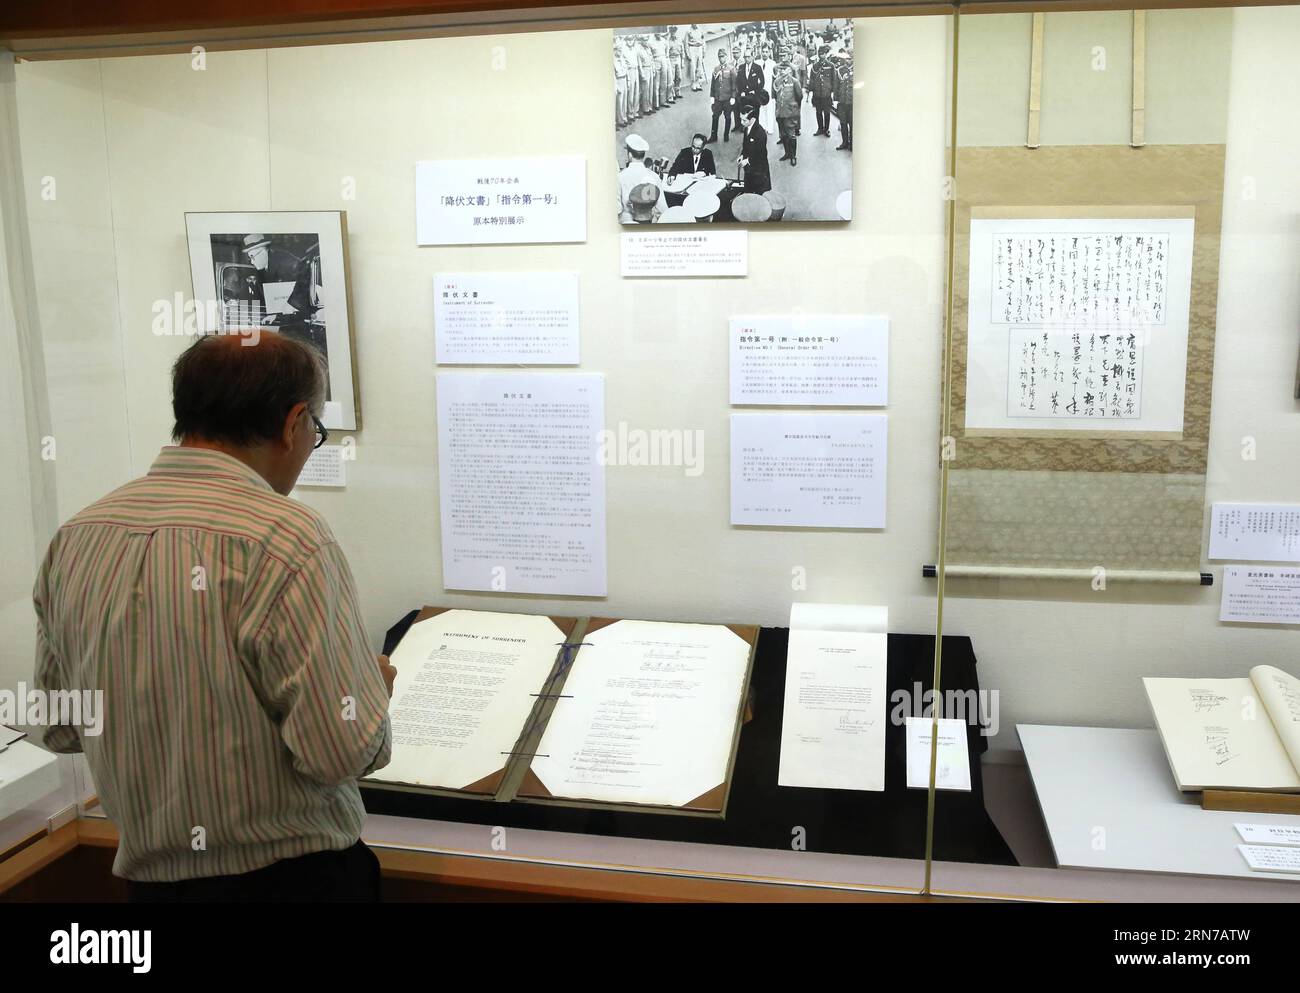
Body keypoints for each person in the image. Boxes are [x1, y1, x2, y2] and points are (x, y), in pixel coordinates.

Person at [33, 331, 394, 901]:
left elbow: (58, 724)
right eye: (316, 433)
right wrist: (372, 687)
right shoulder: (287, 537)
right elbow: (340, 752)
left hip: (153, 889)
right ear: (293, 422)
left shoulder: (78, 535)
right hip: (291, 885)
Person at [617, 133, 665, 221]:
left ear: (630, 155)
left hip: (628, 224)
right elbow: (662, 209)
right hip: (649, 223)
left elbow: (617, 209)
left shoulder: (620, 177)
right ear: (643, 155)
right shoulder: (654, 176)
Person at [772, 48, 804, 166]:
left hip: (790, 113)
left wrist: (794, 108)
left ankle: (793, 156)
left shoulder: (794, 81)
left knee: (791, 135)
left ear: (789, 70)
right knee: (783, 134)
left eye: (784, 69)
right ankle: (787, 153)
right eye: (781, 70)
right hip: (780, 112)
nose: (782, 71)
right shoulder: (777, 82)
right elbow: (775, 94)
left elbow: (799, 96)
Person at [736, 101, 771, 195]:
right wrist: (742, 155)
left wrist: (747, 160)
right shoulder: (747, 128)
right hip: (749, 170)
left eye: (744, 120)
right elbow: (746, 145)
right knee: (748, 192)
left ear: (752, 119)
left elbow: (761, 154)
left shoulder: (760, 133)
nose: (741, 122)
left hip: (759, 171)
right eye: (741, 119)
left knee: (758, 196)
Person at [708, 48, 737, 144]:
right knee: (715, 116)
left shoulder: (731, 69)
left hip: (727, 98)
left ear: (726, 57)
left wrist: (733, 97)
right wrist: (712, 96)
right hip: (718, 98)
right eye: (719, 57)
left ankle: (726, 135)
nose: (721, 59)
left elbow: (734, 84)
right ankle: (713, 136)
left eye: (723, 56)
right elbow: (713, 83)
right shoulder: (716, 69)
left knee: (727, 117)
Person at [809, 44, 836, 137]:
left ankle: (826, 129)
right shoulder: (815, 66)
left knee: (827, 112)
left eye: (823, 54)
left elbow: (834, 79)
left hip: (826, 94)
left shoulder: (831, 65)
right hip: (817, 93)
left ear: (826, 54)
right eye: (820, 54)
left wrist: (832, 91)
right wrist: (811, 91)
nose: (822, 56)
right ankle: (820, 128)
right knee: (818, 112)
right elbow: (812, 79)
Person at [833, 47, 854, 150]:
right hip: (842, 101)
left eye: (850, 58)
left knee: (852, 124)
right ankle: (845, 142)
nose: (848, 61)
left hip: (852, 103)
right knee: (843, 123)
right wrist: (836, 98)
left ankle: (852, 144)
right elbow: (836, 86)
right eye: (846, 59)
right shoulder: (840, 70)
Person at [757, 42, 778, 140]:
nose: (764, 53)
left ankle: (770, 128)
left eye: (766, 52)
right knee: (761, 109)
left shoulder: (773, 64)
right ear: (761, 52)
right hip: (760, 90)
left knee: (770, 109)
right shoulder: (757, 63)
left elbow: (775, 79)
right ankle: (762, 127)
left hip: (769, 90)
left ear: (769, 53)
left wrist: (774, 92)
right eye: (763, 51)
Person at [637, 35, 655, 116]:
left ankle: (650, 107)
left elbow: (652, 60)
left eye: (647, 40)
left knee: (650, 89)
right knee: (645, 90)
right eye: (644, 40)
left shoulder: (648, 49)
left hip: (650, 69)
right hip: (645, 69)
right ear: (641, 41)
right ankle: (645, 109)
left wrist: (653, 70)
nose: (646, 42)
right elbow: (639, 64)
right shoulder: (639, 50)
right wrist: (642, 74)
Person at [614, 38, 629, 128]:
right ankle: (620, 121)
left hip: (624, 79)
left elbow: (625, 70)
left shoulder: (622, 58)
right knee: (619, 102)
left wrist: (628, 82)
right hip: (618, 81)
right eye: (619, 50)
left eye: (621, 50)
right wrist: (616, 87)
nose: (620, 52)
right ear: (615, 50)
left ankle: (624, 118)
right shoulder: (613, 60)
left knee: (624, 101)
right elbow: (613, 76)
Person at [686, 24, 705, 90]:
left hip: (699, 48)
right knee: (693, 67)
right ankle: (693, 83)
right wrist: (688, 53)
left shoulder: (700, 29)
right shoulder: (688, 31)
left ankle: (697, 82)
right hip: (692, 48)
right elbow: (686, 43)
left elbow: (703, 40)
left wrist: (704, 51)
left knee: (699, 67)